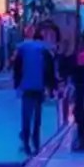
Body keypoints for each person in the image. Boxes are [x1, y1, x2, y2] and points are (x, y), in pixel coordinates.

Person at [12, 26, 58, 154]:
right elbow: (49, 70)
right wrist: (52, 87)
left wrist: (17, 84)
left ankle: (26, 142)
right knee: (37, 117)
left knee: (26, 116)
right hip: (39, 87)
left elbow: (17, 67)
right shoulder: (45, 51)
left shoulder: (23, 49)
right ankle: (36, 141)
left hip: (26, 87)